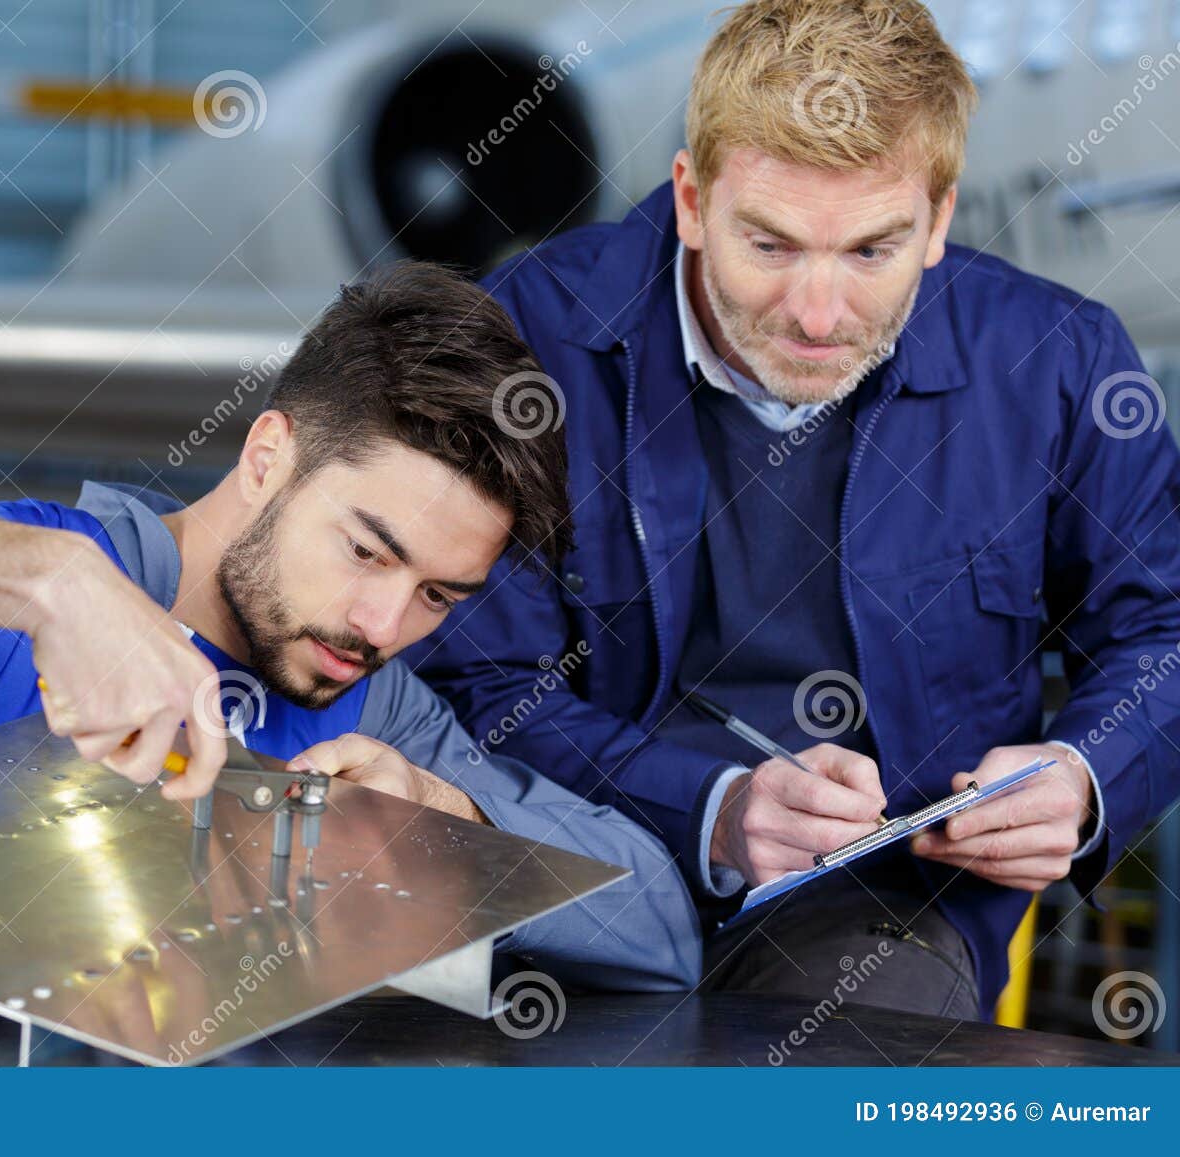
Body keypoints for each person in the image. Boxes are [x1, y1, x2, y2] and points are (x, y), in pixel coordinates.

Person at [0, 261, 699, 1005]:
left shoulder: (372, 705)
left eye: (438, 597)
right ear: (265, 456)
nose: (383, 623)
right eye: (366, 549)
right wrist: (47, 582)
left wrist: (452, 825)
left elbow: (658, 928)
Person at [409, 0, 1180, 1019]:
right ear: (690, 199)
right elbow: (470, 676)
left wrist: (1084, 774)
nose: (817, 316)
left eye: (871, 251)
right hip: (557, 866)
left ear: (938, 218)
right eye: (769, 245)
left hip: (872, 913)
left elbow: (1160, 626)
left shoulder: (1055, 363)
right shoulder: (525, 336)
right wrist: (711, 808)